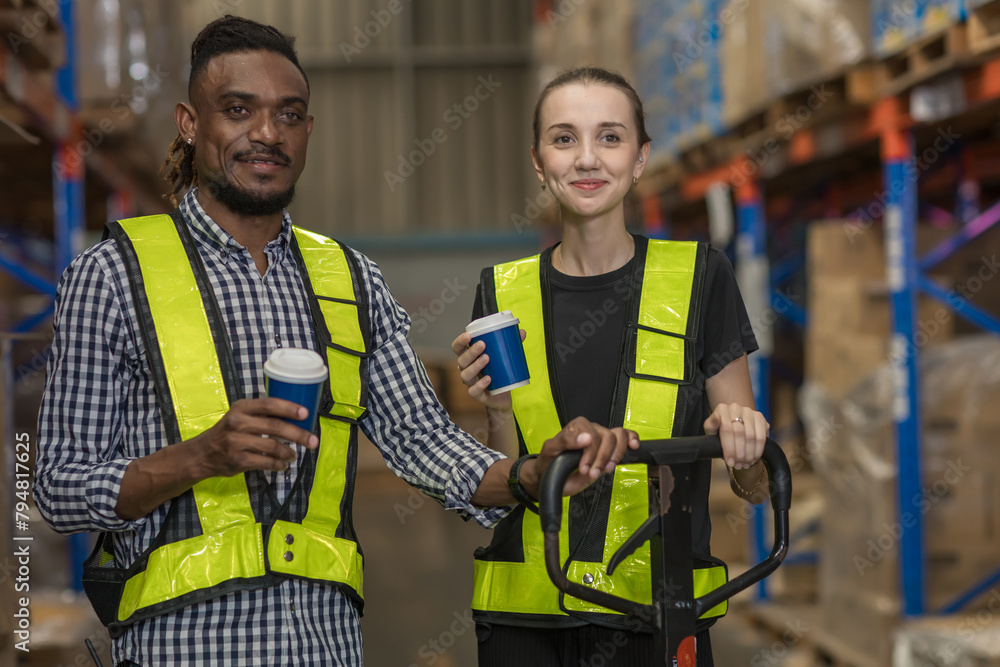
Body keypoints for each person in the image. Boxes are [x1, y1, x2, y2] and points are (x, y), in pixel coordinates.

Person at [33, 19, 636, 667]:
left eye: (288, 115)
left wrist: (527, 475)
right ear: (189, 122)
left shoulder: (349, 280)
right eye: (238, 110)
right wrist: (201, 456)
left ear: (308, 131)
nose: (267, 133)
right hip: (181, 648)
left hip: (326, 645)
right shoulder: (114, 274)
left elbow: (425, 442)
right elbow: (60, 485)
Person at [451, 67, 771, 667]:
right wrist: (495, 409)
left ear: (641, 158)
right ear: (538, 161)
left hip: (657, 618)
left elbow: (750, 487)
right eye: (565, 138)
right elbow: (502, 486)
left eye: (611, 137)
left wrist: (747, 447)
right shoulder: (501, 291)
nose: (587, 159)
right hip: (526, 623)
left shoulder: (701, 277)